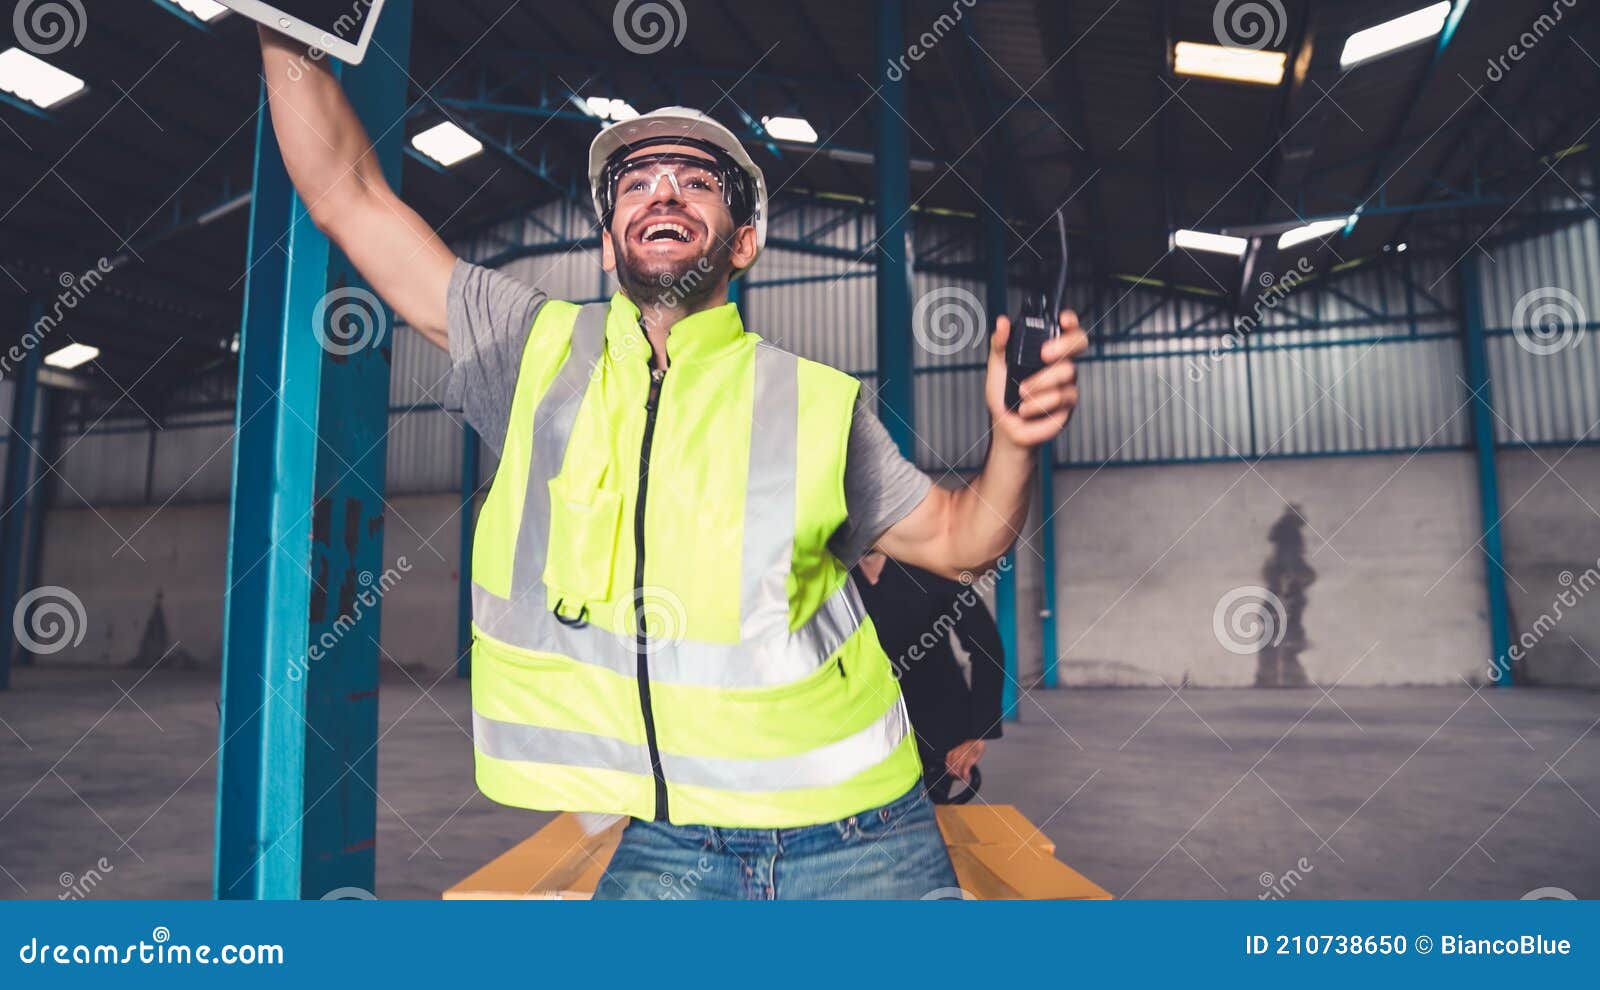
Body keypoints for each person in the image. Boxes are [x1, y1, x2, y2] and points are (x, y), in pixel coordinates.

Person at [256, 26, 1086, 900]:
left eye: (697, 182)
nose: (664, 192)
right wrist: (288, 23)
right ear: (608, 241)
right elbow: (348, 195)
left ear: (743, 242)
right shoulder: (530, 352)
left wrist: (1015, 441)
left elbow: (962, 542)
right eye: (637, 182)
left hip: (860, 828)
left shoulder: (813, 401)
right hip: (670, 838)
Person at [854, 550, 1005, 804]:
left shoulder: (933, 568)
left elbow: (985, 646)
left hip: (936, 733)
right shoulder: (836, 579)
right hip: (862, 730)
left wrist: (978, 732)